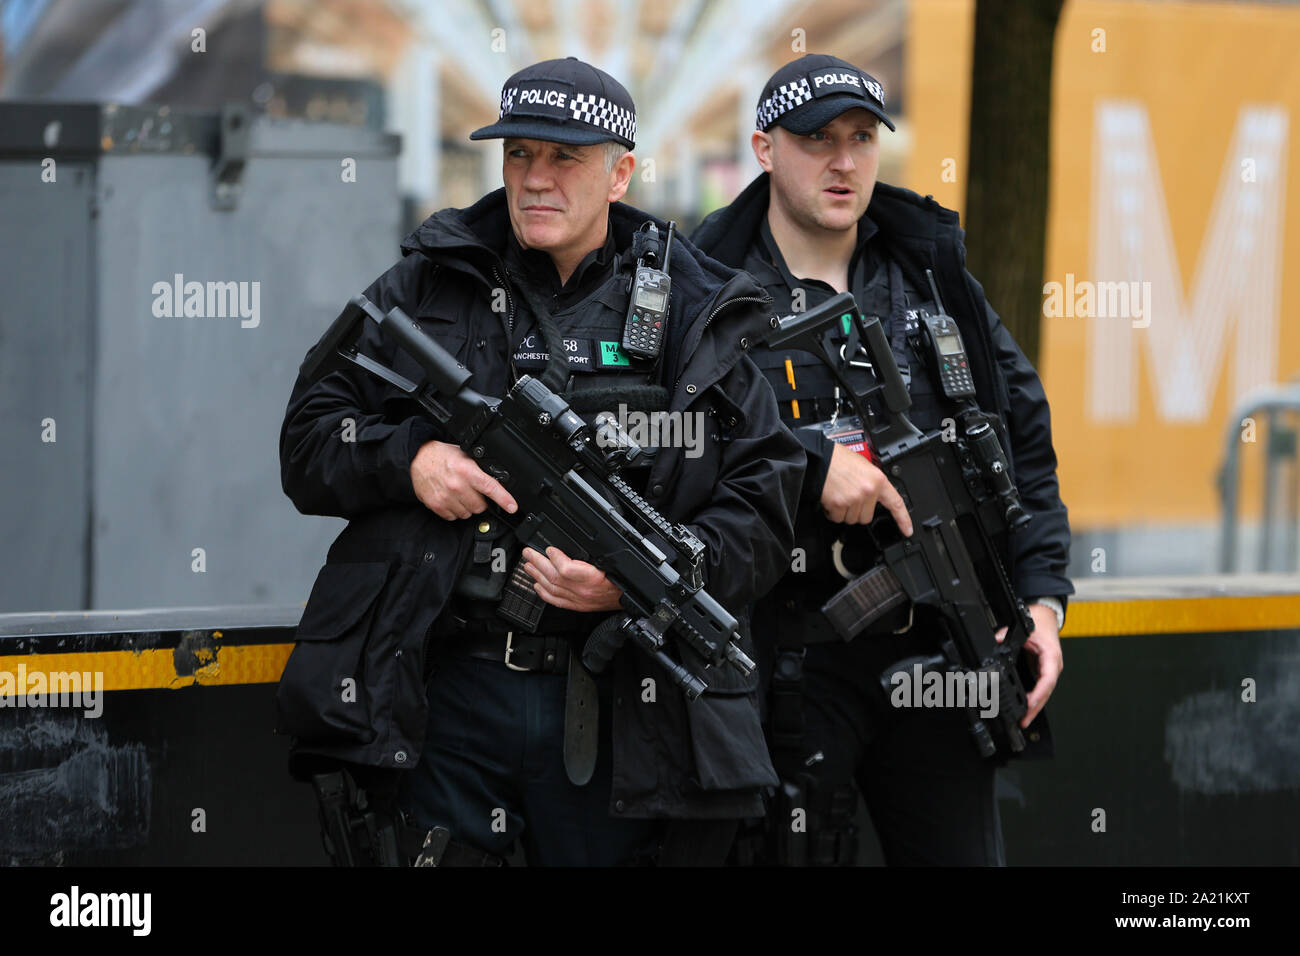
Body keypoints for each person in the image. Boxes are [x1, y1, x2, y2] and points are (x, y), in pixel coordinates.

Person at [276, 56, 804, 867]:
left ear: (620, 173)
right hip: (444, 690)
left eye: (566, 158)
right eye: (519, 154)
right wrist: (411, 459)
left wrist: (625, 584)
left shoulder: (697, 310)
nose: (535, 179)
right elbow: (309, 441)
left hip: (618, 706)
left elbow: (764, 506)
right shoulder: (430, 281)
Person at [692, 53, 1073, 866]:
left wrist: (1043, 603)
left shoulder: (931, 281)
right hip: (780, 658)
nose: (843, 161)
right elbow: (667, 449)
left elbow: (1024, 447)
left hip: (939, 649)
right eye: (817, 138)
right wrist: (801, 466)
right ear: (764, 148)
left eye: (862, 138)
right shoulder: (704, 290)